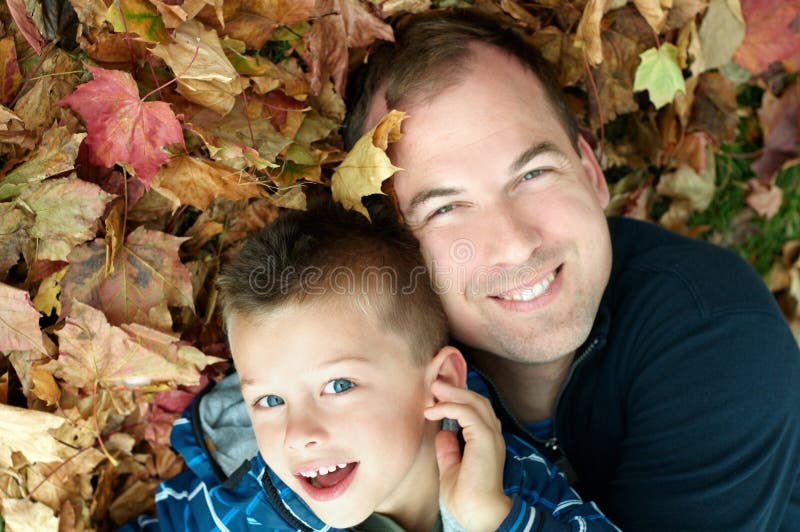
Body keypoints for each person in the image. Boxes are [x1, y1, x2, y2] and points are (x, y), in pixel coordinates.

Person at [342, 8, 800, 531]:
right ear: (397, 249)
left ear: (589, 172)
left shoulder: (717, 334)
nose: (514, 245)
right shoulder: (374, 370)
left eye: (533, 173)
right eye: (444, 209)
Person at [129, 199, 618, 531]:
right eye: (270, 400)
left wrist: (494, 520)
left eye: (338, 384)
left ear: (441, 384)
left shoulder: (511, 486)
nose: (299, 433)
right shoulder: (248, 509)